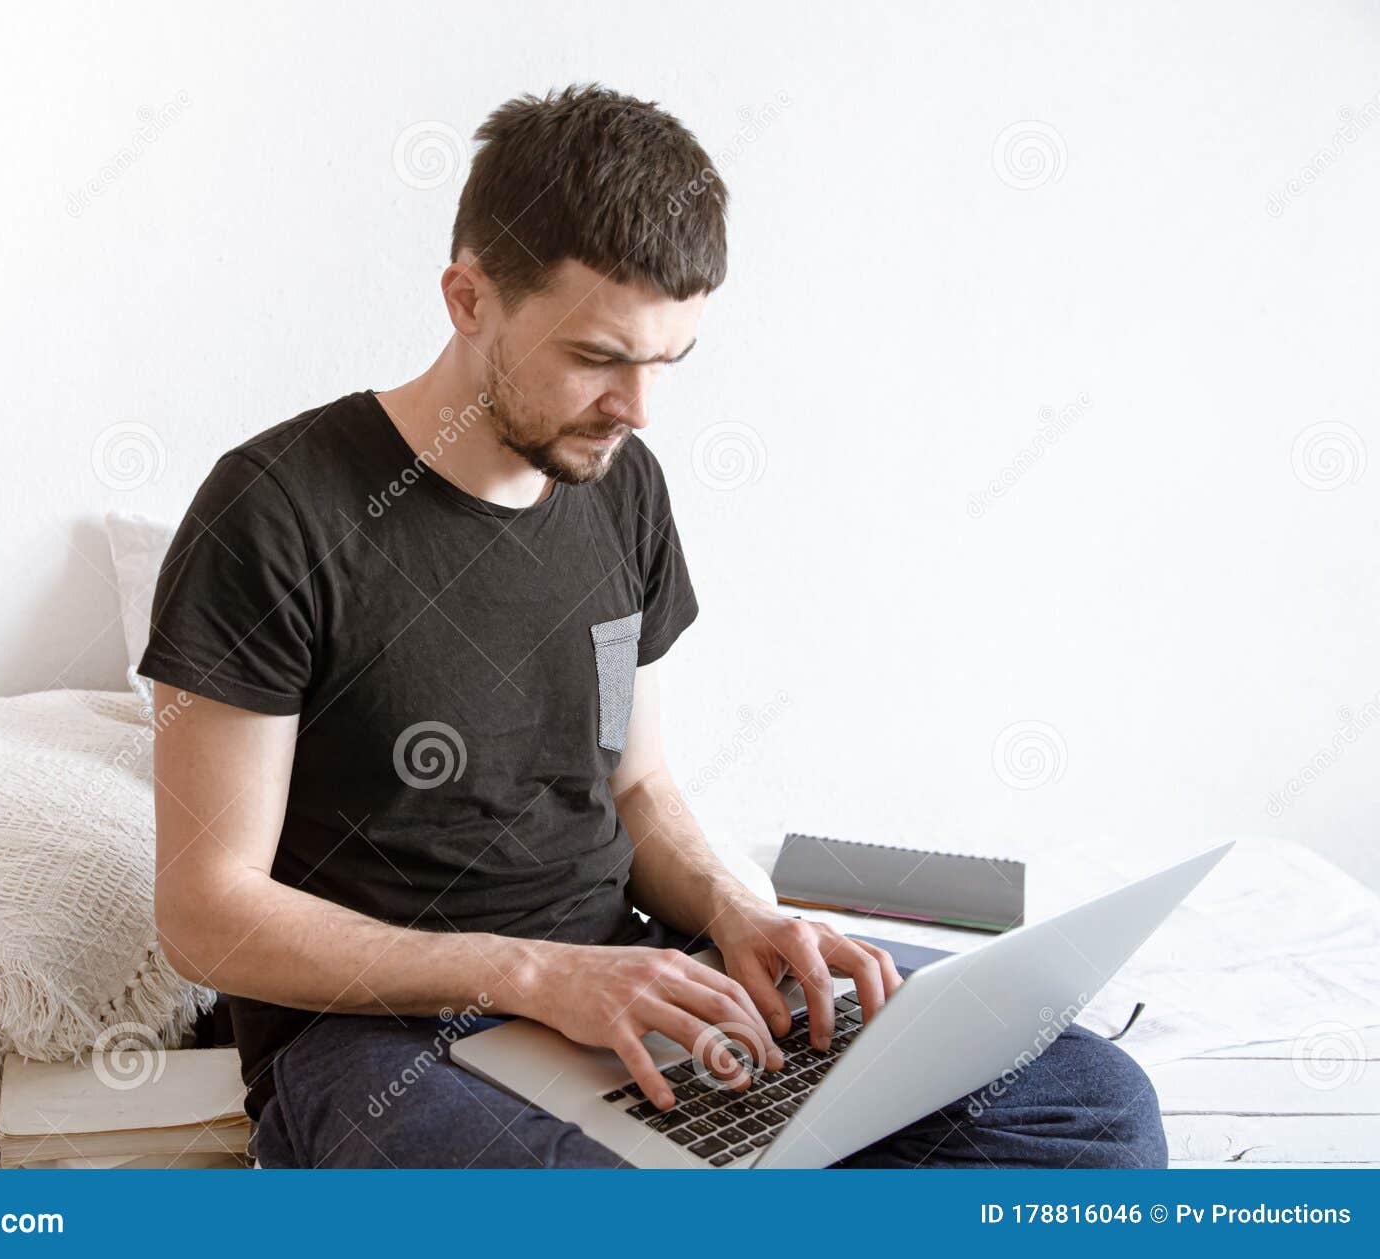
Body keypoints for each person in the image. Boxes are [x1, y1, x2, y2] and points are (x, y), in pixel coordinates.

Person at [141, 84, 1165, 1169]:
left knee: (1089, 1103)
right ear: (467, 296)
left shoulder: (621, 485)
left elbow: (637, 789)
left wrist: (735, 910)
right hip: (388, 1039)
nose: (636, 407)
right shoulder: (275, 510)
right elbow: (207, 914)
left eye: (664, 362)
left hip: (633, 969)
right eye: (595, 357)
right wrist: (534, 974)